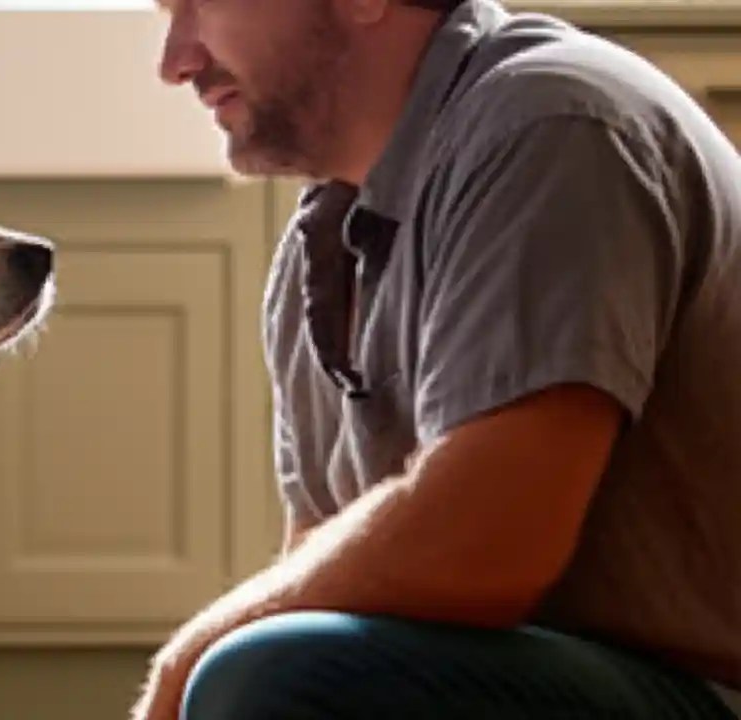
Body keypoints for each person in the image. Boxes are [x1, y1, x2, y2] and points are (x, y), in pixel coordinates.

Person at [130, 0, 741, 718]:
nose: (176, 62)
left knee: (270, 674)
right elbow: (333, 574)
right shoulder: (322, 251)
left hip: (704, 691)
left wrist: (184, 663)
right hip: (554, 675)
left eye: (201, 5)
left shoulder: (554, 125)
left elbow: (490, 546)